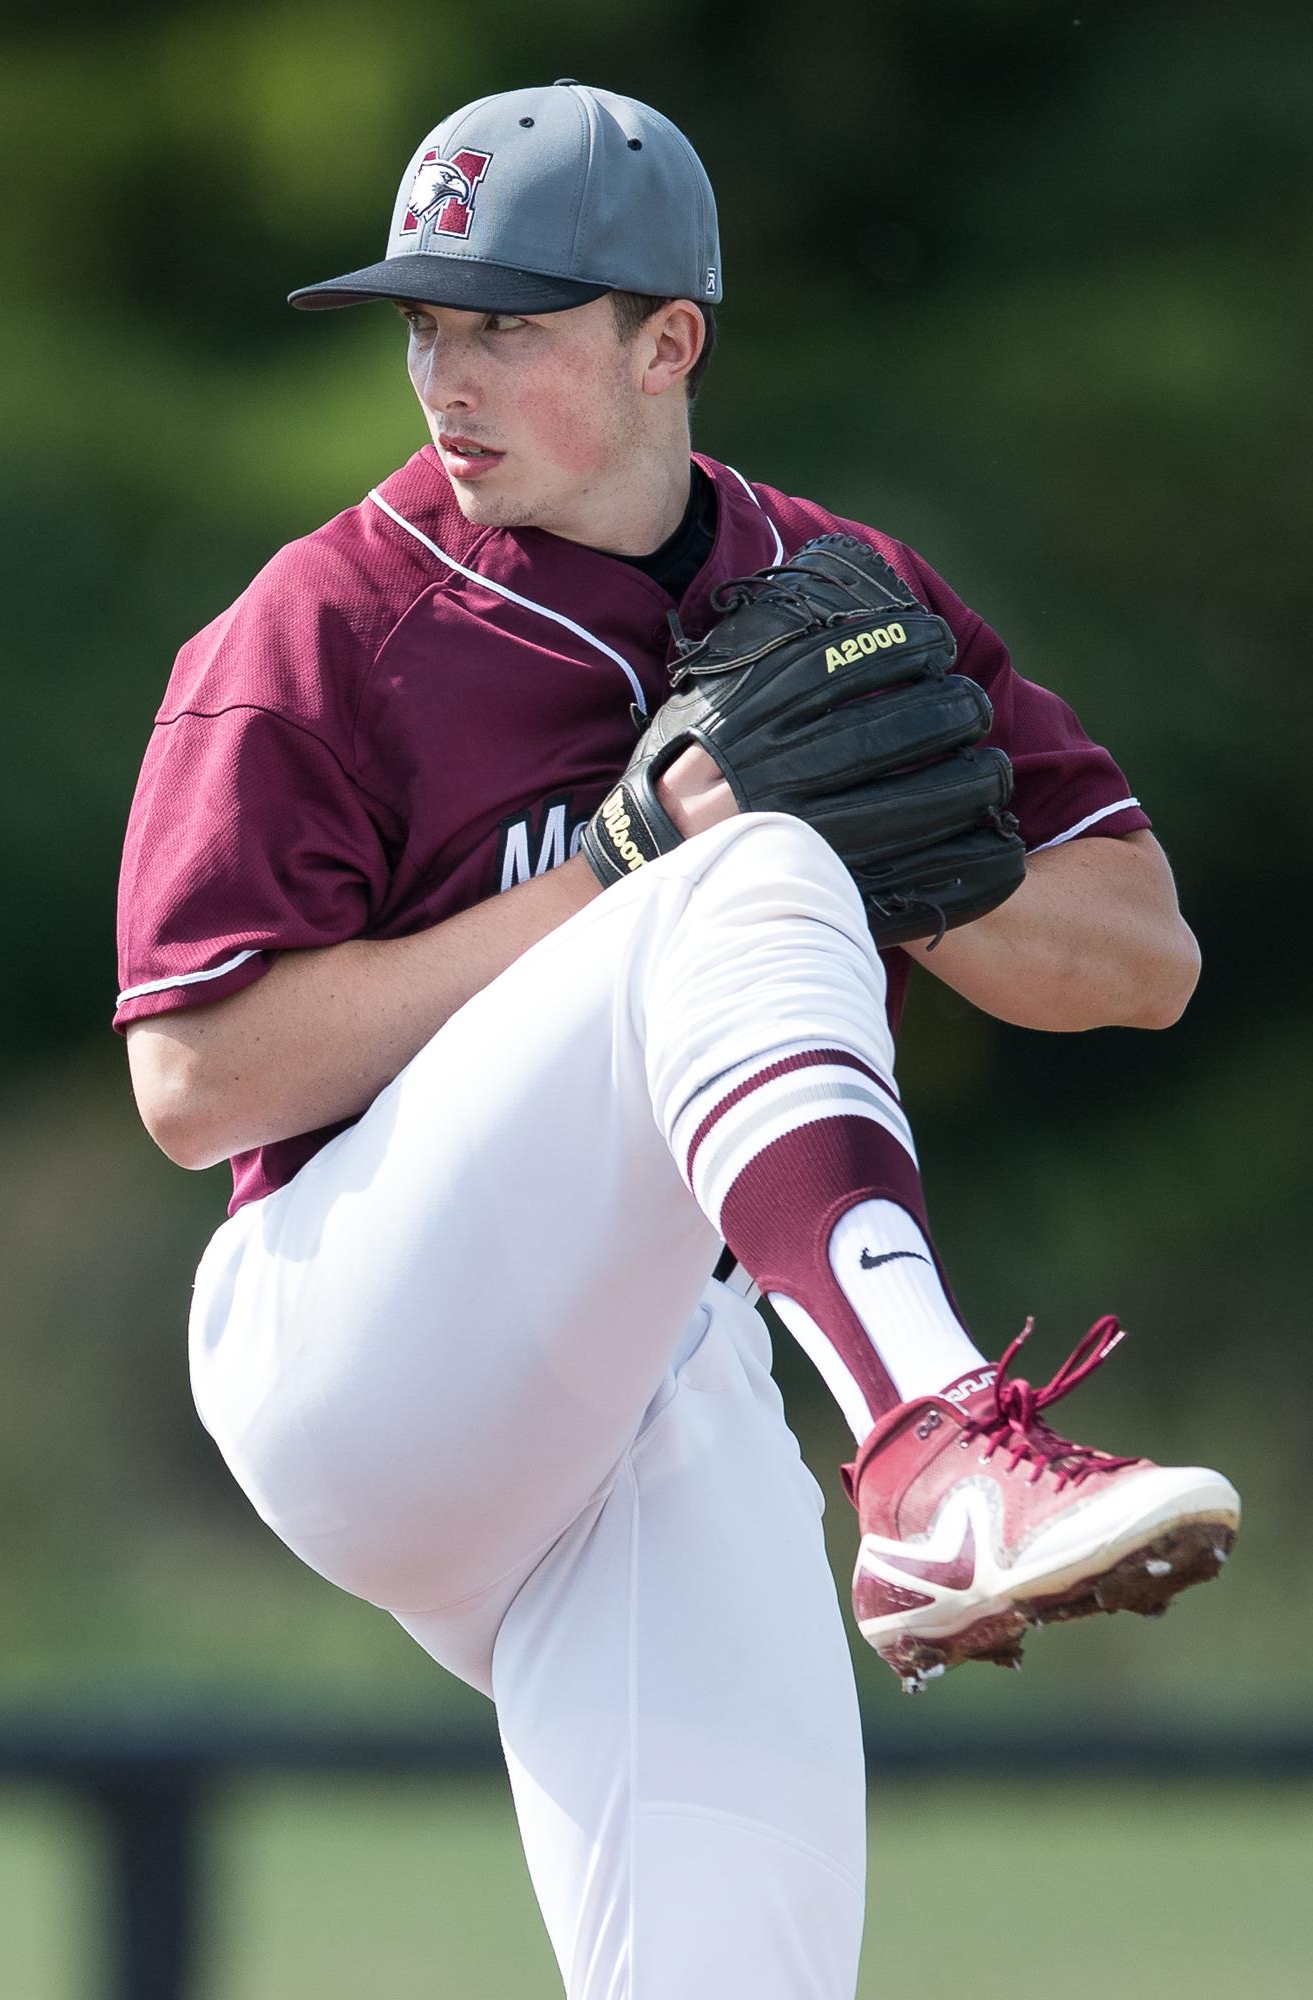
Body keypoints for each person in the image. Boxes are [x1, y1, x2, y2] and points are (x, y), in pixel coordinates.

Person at [115, 82, 1237, 2000]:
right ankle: (933, 1451)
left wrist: (915, 869)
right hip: (357, 1336)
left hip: (662, 1382)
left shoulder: (837, 595)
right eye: (425, 322)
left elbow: (1144, 956)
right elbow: (198, 1083)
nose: (442, 377)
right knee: (735, 877)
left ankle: (920, 1473)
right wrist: (630, 872)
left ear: (667, 344)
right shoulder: (322, 627)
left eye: (508, 324)